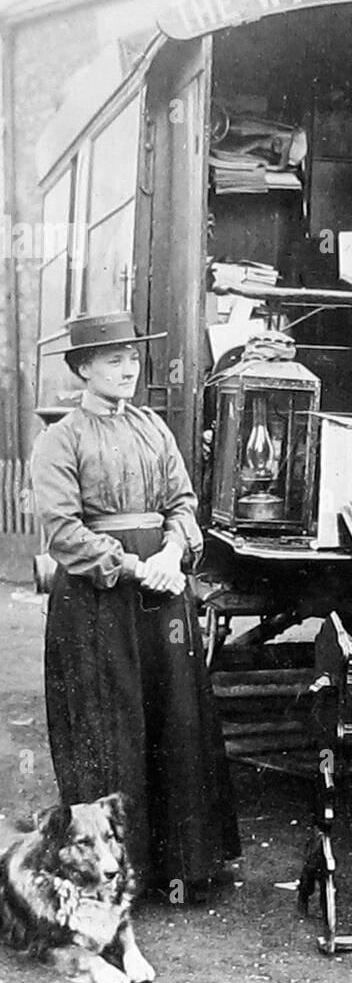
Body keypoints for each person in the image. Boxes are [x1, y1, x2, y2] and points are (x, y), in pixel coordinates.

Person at [31, 311, 241, 897]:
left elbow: (181, 501)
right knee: (108, 722)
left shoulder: (154, 428)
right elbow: (63, 531)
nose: (127, 369)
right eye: (111, 360)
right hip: (96, 604)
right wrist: (131, 566)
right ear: (83, 369)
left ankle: (183, 863)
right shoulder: (60, 439)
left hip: (163, 595)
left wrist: (173, 552)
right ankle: (115, 872)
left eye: (131, 358)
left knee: (175, 714)